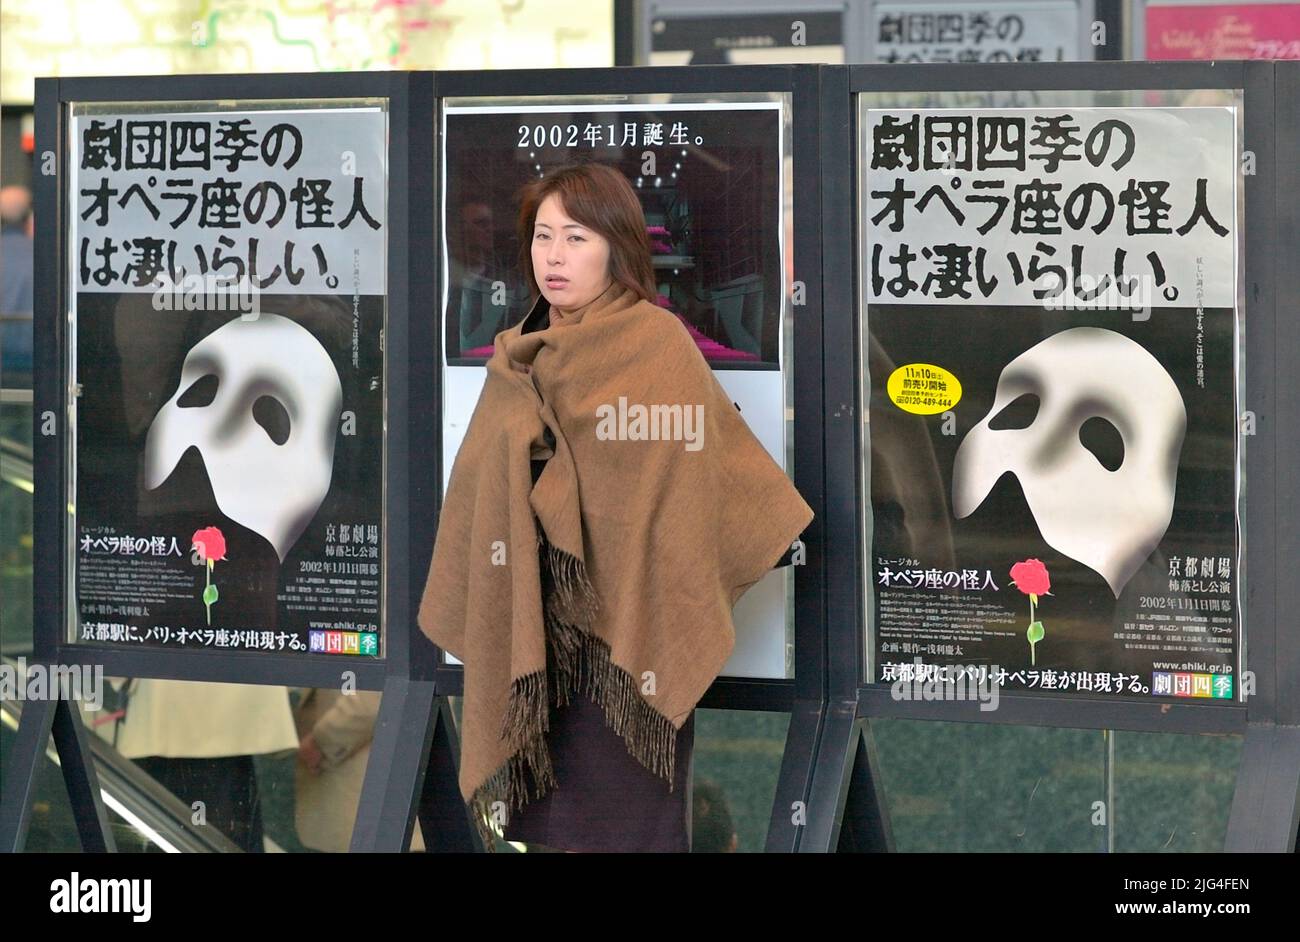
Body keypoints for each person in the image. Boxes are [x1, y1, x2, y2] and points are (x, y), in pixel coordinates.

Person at [420, 161, 813, 853]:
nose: (554, 257)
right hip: (536, 649)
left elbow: (702, 493)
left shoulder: (657, 348)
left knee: (628, 835)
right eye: (543, 237)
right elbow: (480, 499)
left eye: (576, 237)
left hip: (629, 661)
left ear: (618, 247)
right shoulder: (516, 359)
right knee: (550, 836)